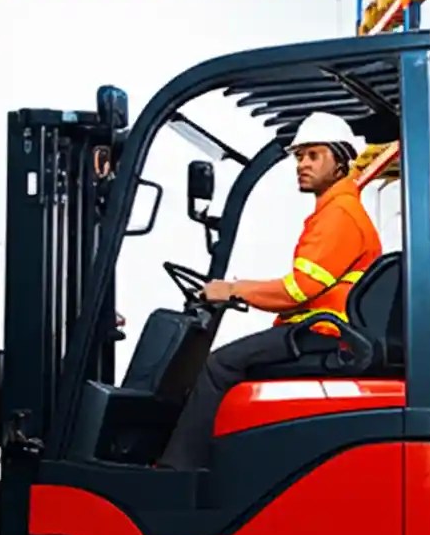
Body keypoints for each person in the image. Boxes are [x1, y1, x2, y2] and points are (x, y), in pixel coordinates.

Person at [157, 112, 383, 471]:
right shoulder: (335, 212)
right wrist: (237, 292)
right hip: (321, 330)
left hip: (322, 333)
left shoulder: (341, 215)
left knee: (219, 366)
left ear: (340, 162)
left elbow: (298, 289)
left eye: (313, 155)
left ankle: (176, 473)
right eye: (299, 156)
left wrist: (233, 289)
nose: (302, 164)